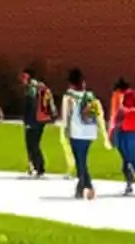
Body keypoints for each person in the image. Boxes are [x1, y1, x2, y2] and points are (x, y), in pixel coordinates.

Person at [60, 68, 111, 200]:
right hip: (89, 132)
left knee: (80, 162)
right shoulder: (90, 96)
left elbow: (65, 117)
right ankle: (82, 188)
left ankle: (86, 187)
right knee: (82, 161)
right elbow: (99, 113)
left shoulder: (68, 96)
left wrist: (64, 131)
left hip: (76, 132)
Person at [20, 69, 55, 178]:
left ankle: (39, 167)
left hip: (33, 121)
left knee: (32, 144)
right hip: (41, 120)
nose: (22, 79)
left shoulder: (31, 89)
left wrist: (28, 122)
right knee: (34, 143)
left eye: (24, 77)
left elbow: (31, 106)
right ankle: (36, 166)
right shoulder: (39, 87)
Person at [109, 78, 128, 158]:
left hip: (115, 122)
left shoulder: (115, 95)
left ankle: (127, 162)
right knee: (121, 144)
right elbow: (120, 107)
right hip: (119, 122)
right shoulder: (120, 95)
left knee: (118, 143)